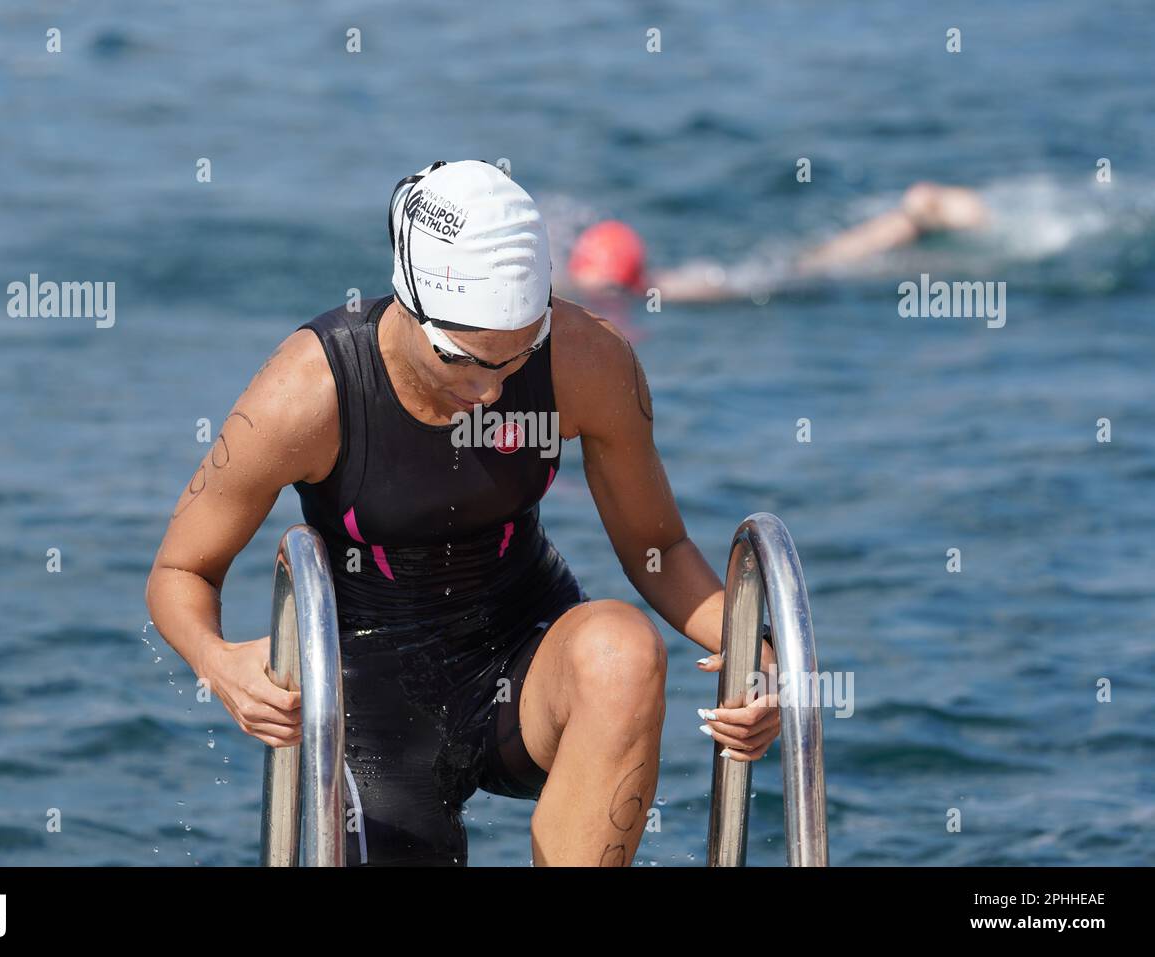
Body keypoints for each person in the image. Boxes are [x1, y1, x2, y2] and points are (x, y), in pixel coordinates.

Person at [145, 160, 781, 866]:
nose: (486, 391)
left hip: (526, 651)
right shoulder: (308, 392)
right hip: (371, 698)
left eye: (514, 361)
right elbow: (180, 569)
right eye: (463, 359)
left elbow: (658, 548)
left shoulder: (585, 358)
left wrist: (753, 649)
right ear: (407, 303)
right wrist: (219, 662)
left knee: (623, 651)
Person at [559, 181, 991, 302]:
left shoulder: (667, 292)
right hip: (750, 274)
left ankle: (912, 218)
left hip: (761, 282)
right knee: (823, 259)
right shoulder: (642, 285)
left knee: (827, 265)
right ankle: (910, 218)